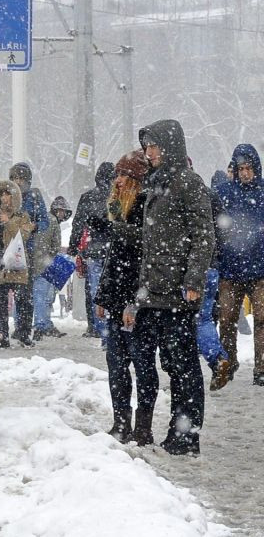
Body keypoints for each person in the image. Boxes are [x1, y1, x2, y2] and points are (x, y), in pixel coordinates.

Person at [133, 119, 215, 455]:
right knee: (169, 364)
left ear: (169, 147)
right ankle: (176, 430)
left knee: (184, 367)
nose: (148, 153)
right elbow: (151, 243)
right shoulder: (157, 183)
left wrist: (193, 280)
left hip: (178, 293)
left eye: (153, 146)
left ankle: (187, 434)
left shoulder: (188, 182)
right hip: (155, 292)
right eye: (146, 146)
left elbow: (203, 236)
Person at [98, 151, 159, 444]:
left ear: (137, 180)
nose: (118, 181)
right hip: (116, 300)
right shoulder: (119, 207)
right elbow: (114, 258)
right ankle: (121, 422)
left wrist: (134, 302)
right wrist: (103, 296)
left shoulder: (147, 205)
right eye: (117, 176)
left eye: (124, 176)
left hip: (138, 302)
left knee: (143, 363)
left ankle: (143, 427)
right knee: (117, 365)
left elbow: (146, 256)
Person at [211, 143, 264, 389]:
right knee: (227, 320)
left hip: (261, 270)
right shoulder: (223, 193)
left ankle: (261, 368)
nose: (245, 173)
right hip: (230, 270)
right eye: (241, 168)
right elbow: (213, 228)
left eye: (249, 168)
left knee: (262, 321)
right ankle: (229, 363)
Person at [68, 162, 116, 338]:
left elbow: (78, 223)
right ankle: (110, 328)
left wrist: (73, 246)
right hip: (113, 250)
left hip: (94, 250)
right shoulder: (116, 196)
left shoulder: (87, 197)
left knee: (96, 289)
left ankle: (99, 326)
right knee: (112, 287)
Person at [0, 180, 35, 348]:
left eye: (8, 194)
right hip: (0, 266)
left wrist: (8, 223)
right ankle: (2, 334)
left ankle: (24, 333)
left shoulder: (22, 216)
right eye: (2, 194)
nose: (4, 198)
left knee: (24, 301)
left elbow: (24, 235)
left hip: (18, 265)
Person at [30, 196, 72, 338]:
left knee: (28, 297)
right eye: (62, 211)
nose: (63, 215)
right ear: (57, 210)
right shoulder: (53, 222)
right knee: (43, 296)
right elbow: (55, 246)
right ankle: (42, 325)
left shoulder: (36, 219)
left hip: (28, 263)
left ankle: (22, 326)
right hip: (44, 265)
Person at [8, 162, 51, 239]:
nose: (18, 182)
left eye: (21, 178)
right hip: (6, 242)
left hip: (27, 244)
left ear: (27, 180)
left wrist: (34, 226)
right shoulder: (5, 195)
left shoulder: (34, 197)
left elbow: (45, 221)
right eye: (16, 178)